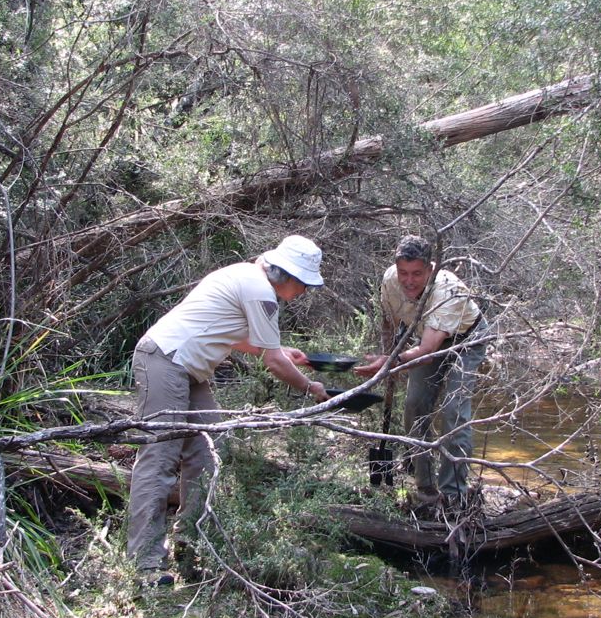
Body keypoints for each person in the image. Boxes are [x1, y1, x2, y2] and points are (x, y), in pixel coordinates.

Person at [126, 235, 331, 582]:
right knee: (160, 458)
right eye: (304, 284)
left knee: (208, 454)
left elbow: (234, 337)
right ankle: (145, 562)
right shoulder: (260, 291)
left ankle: (190, 549)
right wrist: (310, 387)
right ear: (287, 276)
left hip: (186, 369)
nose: (304, 292)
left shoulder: (245, 275)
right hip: (166, 361)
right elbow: (274, 361)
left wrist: (283, 350)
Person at [354, 235, 486, 511]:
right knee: (415, 406)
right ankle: (425, 487)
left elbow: (428, 348)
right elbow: (388, 321)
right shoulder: (391, 280)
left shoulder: (448, 290)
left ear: (431, 268)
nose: (409, 280)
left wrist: (390, 362)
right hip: (425, 338)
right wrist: (388, 356)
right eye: (404, 272)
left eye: (417, 273)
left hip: (465, 340)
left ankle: (453, 494)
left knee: (454, 411)